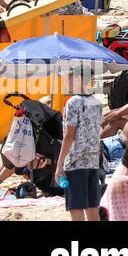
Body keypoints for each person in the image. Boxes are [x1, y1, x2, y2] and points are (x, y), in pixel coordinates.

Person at [53, 66, 103, 221]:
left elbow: (69, 136)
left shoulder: (73, 102)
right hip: (93, 161)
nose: (66, 82)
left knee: (76, 207)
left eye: (69, 78)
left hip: (75, 162)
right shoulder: (97, 102)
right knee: (92, 207)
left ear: (79, 79)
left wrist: (60, 164)